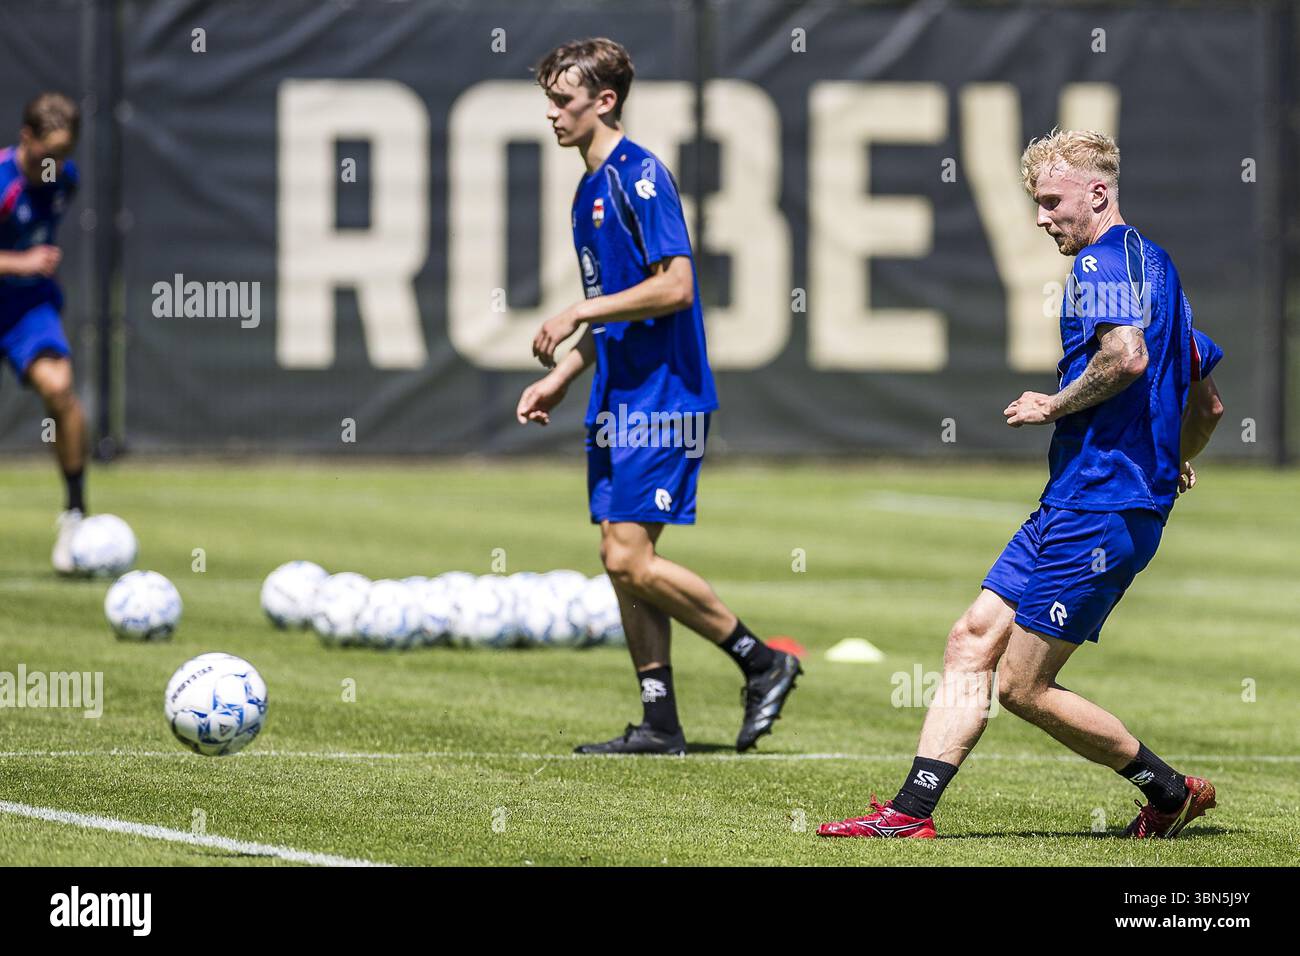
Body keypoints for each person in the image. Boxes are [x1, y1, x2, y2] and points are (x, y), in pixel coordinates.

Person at [818, 129, 1224, 838]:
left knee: (1023, 688)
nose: (1041, 218)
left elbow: (1125, 358)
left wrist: (1052, 404)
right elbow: (1208, 401)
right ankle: (909, 813)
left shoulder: (1102, 261)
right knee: (972, 636)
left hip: (1101, 505)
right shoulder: (1156, 264)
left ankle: (1168, 793)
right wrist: (1176, 455)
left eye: (1050, 202)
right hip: (1079, 497)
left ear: (1098, 193)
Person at [516, 38, 801, 755]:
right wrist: (564, 372)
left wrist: (577, 313)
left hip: (665, 398)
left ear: (604, 101)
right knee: (621, 559)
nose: (550, 112)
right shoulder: (586, 190)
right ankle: (660, 722)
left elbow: (676, 285)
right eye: (548, 98)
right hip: (619, 395)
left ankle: (763, 662)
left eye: (562, 99)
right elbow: (617, 308)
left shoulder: (638, 176)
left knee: (628, 560)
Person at [0, 92, 85, 573]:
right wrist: (20, 262)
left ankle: (75, 513)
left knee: (59, 387)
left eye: (64, 154)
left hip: (26, 306)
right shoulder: (2, 183)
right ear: (25, 137)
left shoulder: (64, 180)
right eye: (47, 154)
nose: (55, 164)